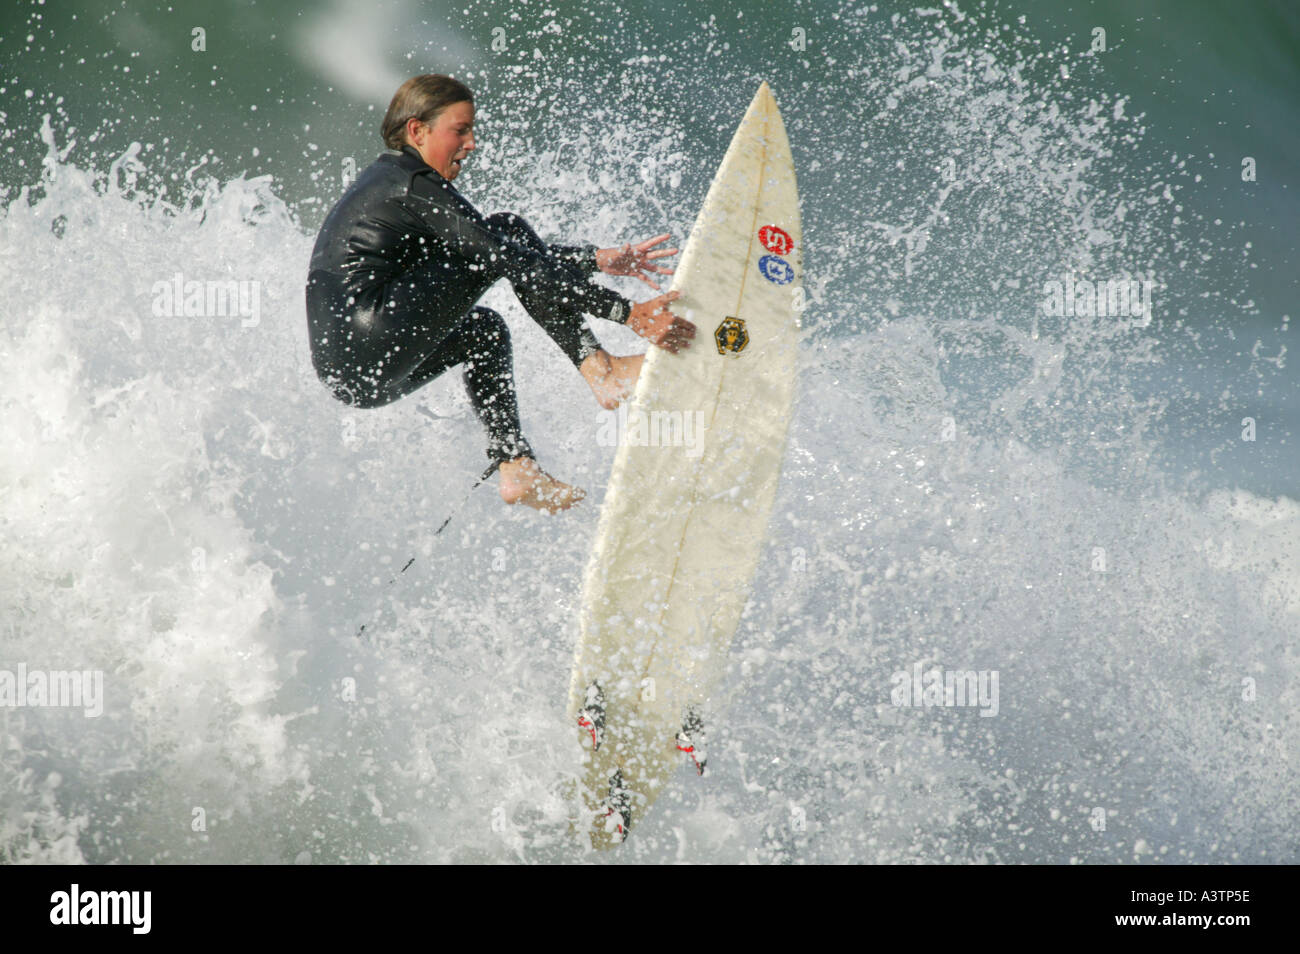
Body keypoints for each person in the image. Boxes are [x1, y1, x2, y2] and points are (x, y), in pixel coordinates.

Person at [306, 74, 695, 512]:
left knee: (483, 331)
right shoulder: (411, 184)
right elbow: (504, 253)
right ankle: (600, 368)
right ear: (417, 130)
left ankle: (515, 463)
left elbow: (502, 253)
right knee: (506, 229)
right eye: (460, 130)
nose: (471, 143)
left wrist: (595, 259)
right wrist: (626, 311)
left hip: (352, 376)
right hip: (372, 334)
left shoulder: (395, 183)